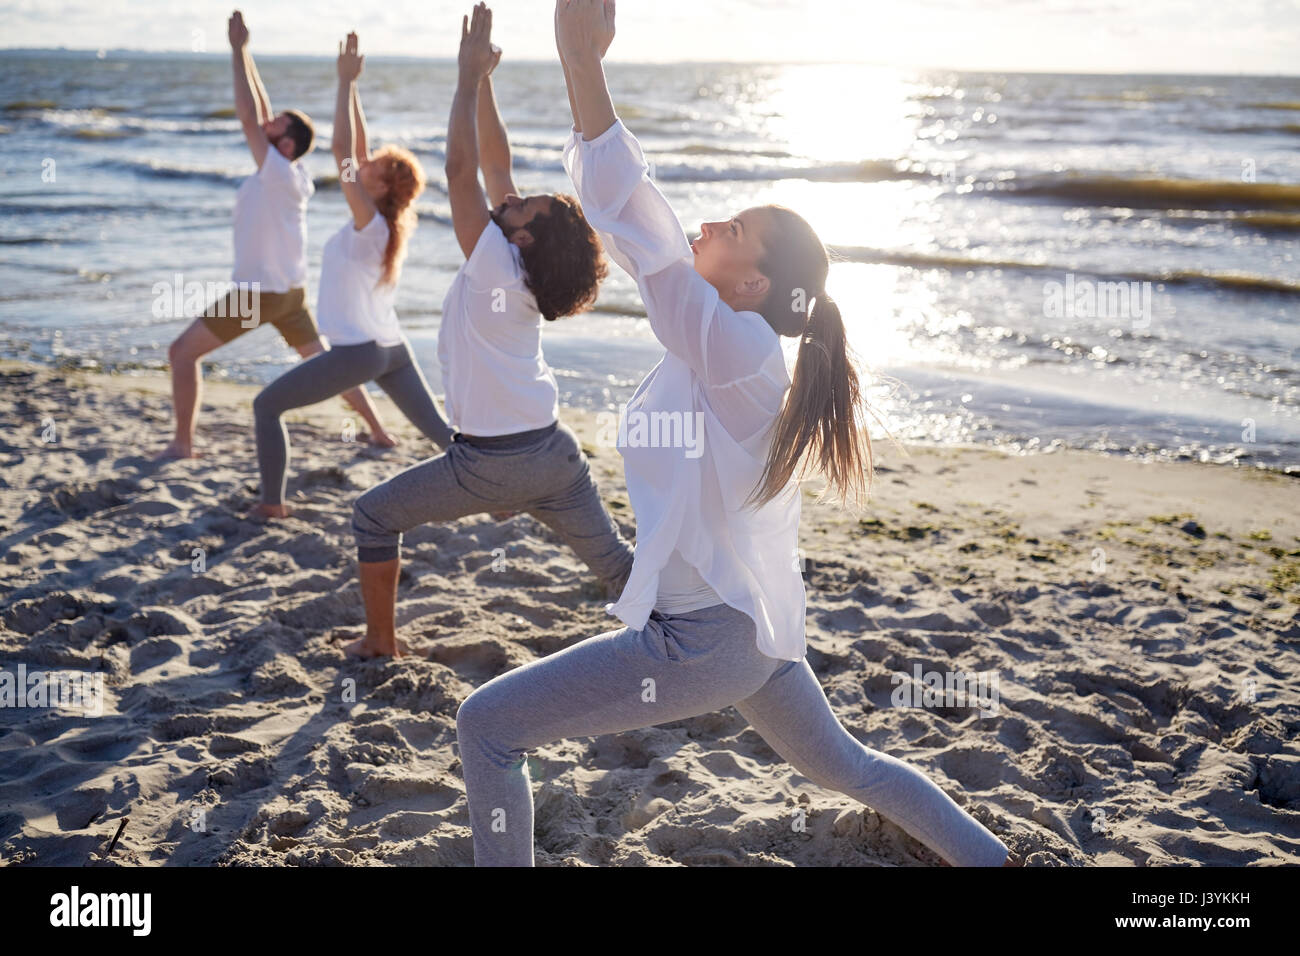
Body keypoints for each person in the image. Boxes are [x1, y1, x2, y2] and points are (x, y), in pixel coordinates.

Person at [452, 0, 1018, 867]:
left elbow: (638, 222)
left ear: (754, 282)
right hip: (755, 635)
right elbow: (642, 231)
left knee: (487, 725)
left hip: (703, 642)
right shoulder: (722, 342)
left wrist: (583, 62)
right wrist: (579, 67)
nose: (711, 224)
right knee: (853, 768)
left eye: (737, 230)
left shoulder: (741, 346)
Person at [344, 3, 634, 659]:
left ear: (524, 234)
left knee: (372, 516)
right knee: (619, 568)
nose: (508, 197)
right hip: (556, 458)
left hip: (487, 466)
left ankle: (380, 643)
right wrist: (488, 80)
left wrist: (466, 78)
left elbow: (459, 170)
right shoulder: (522, 265)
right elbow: (494, 166)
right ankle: (699, 628)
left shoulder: (494, 264)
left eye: (520, 204)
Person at [160, 10, 395, 460]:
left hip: (259, 293)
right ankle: (378, 429)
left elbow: (249, 116)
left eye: (276, 127)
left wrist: (236, 50)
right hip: (289, 293)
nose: (265, 125)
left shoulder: (277, 174)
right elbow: (261, 113)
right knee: (327, 365)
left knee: (182, 352)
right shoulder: (290, 172)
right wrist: (247, 51)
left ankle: (182, 444)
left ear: (284, 145)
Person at [250, 32, 453, 520]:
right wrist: (355, 87)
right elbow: (356, 148)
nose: (363, 164)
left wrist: (342, 83)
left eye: (374, 166)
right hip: (391, 348)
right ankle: (504, 493)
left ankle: (272, 505)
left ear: (381, 186)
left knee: (266, 407)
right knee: (444, 436)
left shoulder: (369, 223)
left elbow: (342, 149)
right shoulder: (388, 221)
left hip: (360, 352)